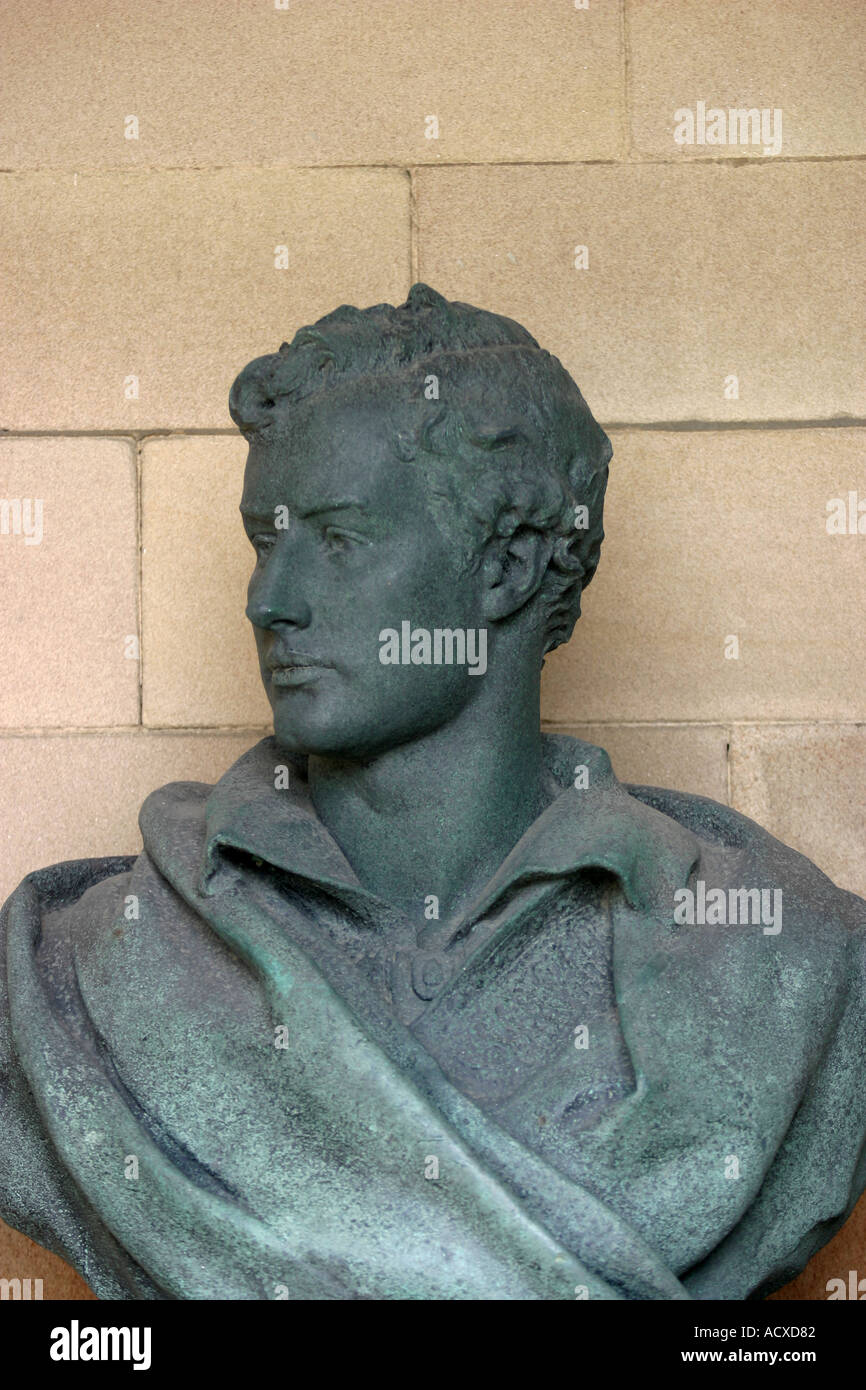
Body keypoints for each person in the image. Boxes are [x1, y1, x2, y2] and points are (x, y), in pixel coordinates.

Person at [1, 284, 864, 1299]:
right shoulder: (79, 973)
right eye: (263, 540)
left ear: (501, 570)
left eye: (339, 540)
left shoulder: (785, 965)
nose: (267, 600)